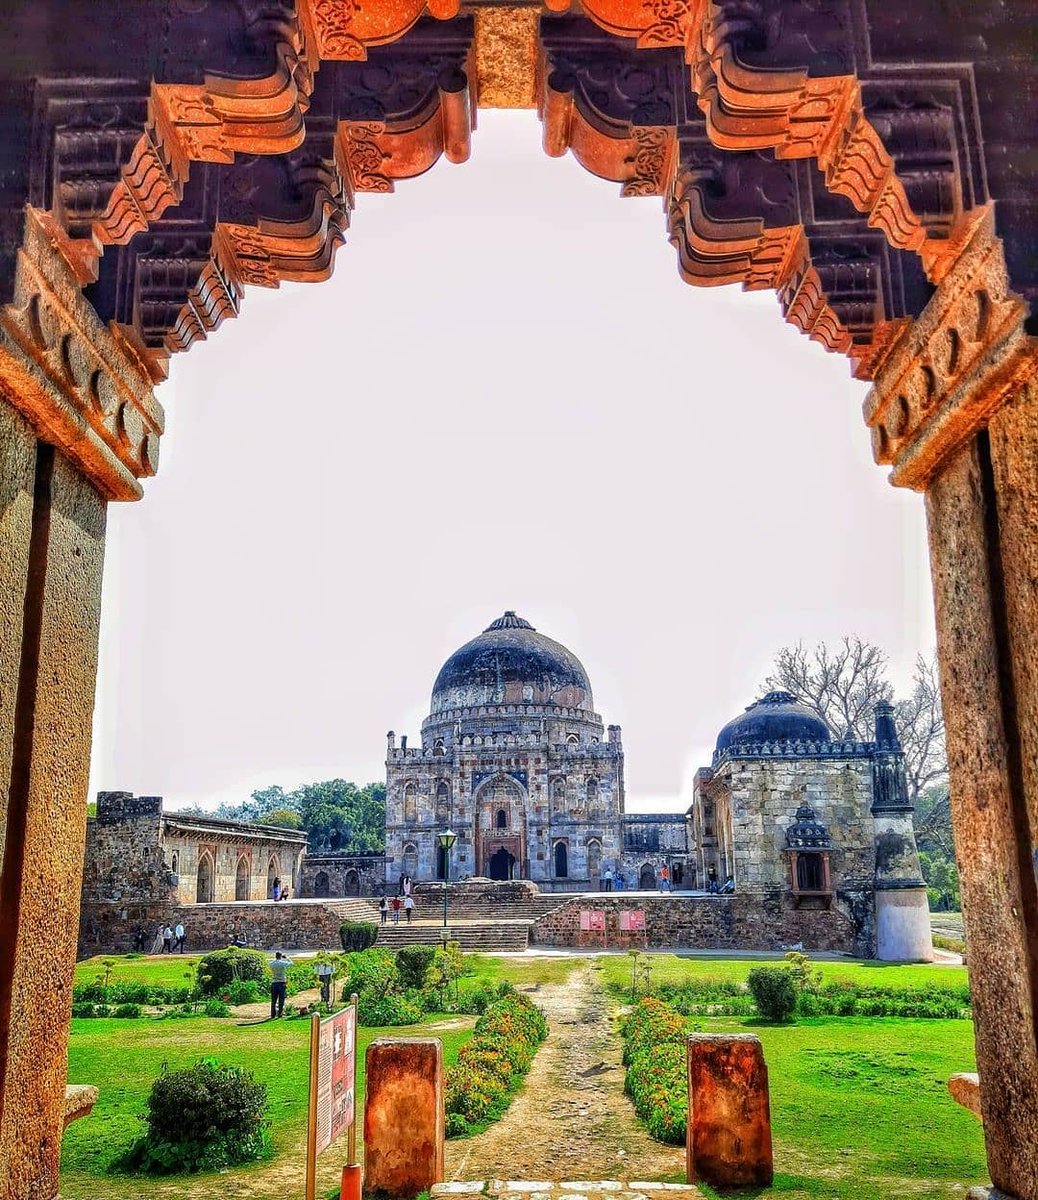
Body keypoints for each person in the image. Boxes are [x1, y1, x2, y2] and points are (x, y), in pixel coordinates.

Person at [269, 951, 292, 1018]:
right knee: (281, 999)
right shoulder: (282, 963)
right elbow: (291, 964)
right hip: (281, 982)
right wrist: (287, 958)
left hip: (274, 982)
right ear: (281, 956)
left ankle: (272, 1014)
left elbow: (269, 965)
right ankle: (280, 1013)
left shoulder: (272, 963)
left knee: (273, 1000)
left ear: (275, 956)